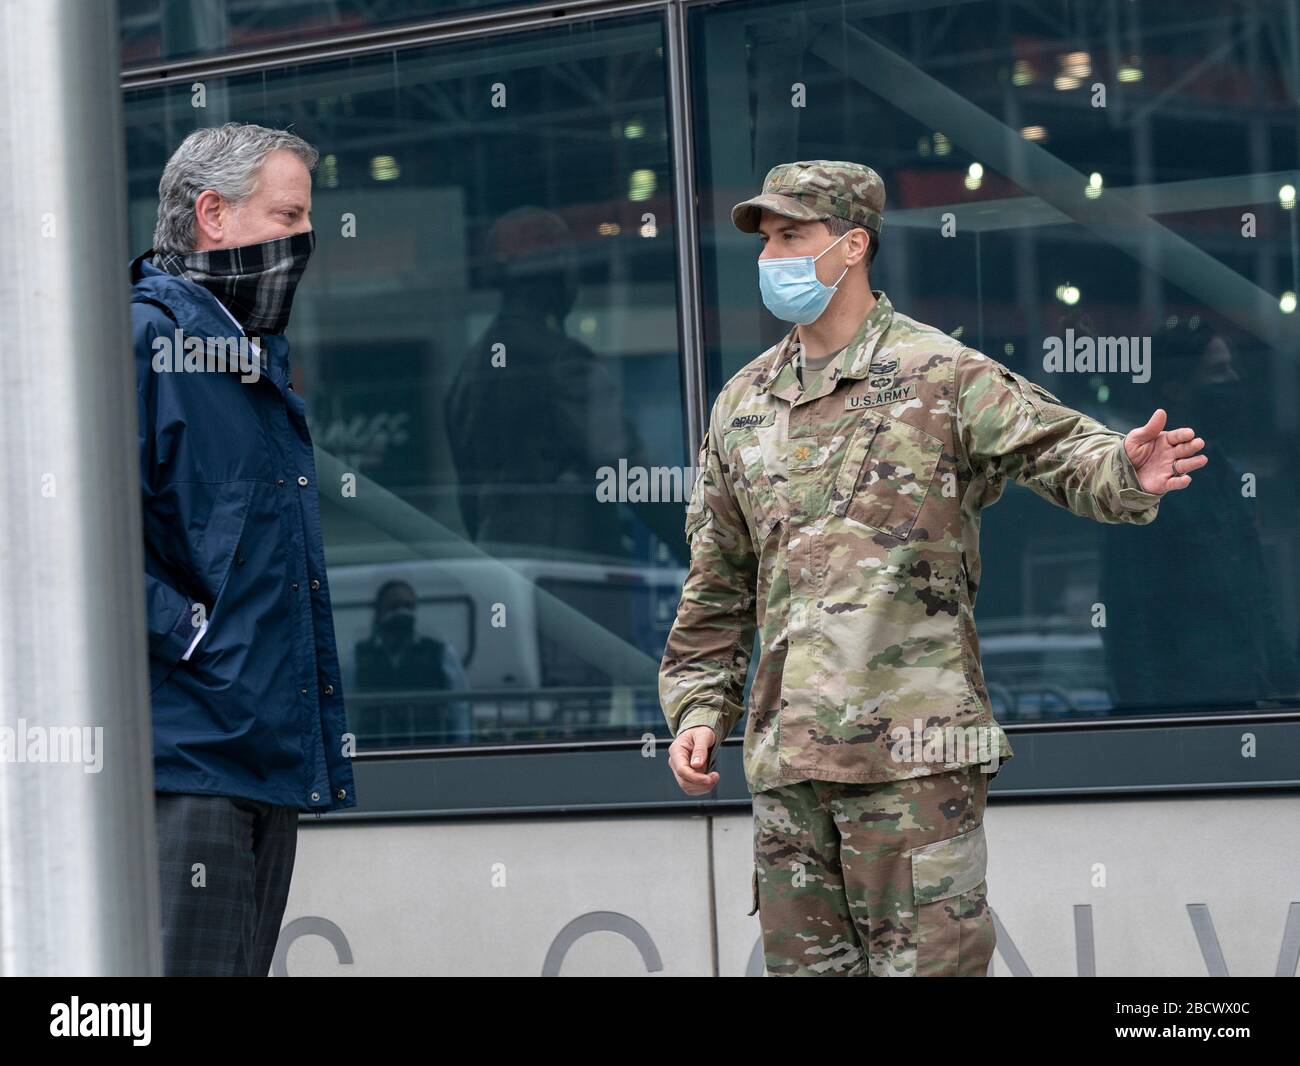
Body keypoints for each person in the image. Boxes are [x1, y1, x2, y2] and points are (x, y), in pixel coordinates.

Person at [658, 160, 1206, 977]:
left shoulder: (937, 373)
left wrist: (1125, 470)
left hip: (912, 760)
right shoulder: (743, 401)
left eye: (791, 236)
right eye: (766, 239)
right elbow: (720, 575)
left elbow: (1056, 446)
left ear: (852, 246)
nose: (771, 255)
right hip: (788, 771)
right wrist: (701, 707)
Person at [132, 122, 355, 976]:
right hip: (185, 761)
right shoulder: (144, 344)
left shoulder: (249, 358)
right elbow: (63, 540)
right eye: (287, 216)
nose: (303, 242)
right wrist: (190, 635)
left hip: (259, 757)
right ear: (213, 215)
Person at [1099, 317, 1298, 708]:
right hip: (1185, 711)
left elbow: (1255, 593)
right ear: (1176, 387)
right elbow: (1129, 614)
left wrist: (1284, 682)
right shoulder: (1145, 485)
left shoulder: (1224, 473)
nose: (1234, 380)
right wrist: (1144, 719)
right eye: (1219, 371)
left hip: (1246, 699)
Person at [353, 579, 472, 743]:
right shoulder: (359, 655)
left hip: (429, 748)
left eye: (408, 606)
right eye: (394, 606)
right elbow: (347, 708)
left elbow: (460, 705)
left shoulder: (440, 652)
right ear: (379, 612)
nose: (402, 612)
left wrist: (462, 745)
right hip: (375, 749)